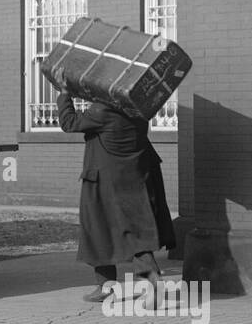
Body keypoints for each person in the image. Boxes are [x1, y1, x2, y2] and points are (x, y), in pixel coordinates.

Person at [57, 92, 176, 303]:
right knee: (133, 233)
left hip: (104, 184)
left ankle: (147, 285)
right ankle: (110, 286)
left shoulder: (102, 111)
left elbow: (68, 122)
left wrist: (64, 95)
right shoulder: (138, 110)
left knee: (100, 231)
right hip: (135, 180)